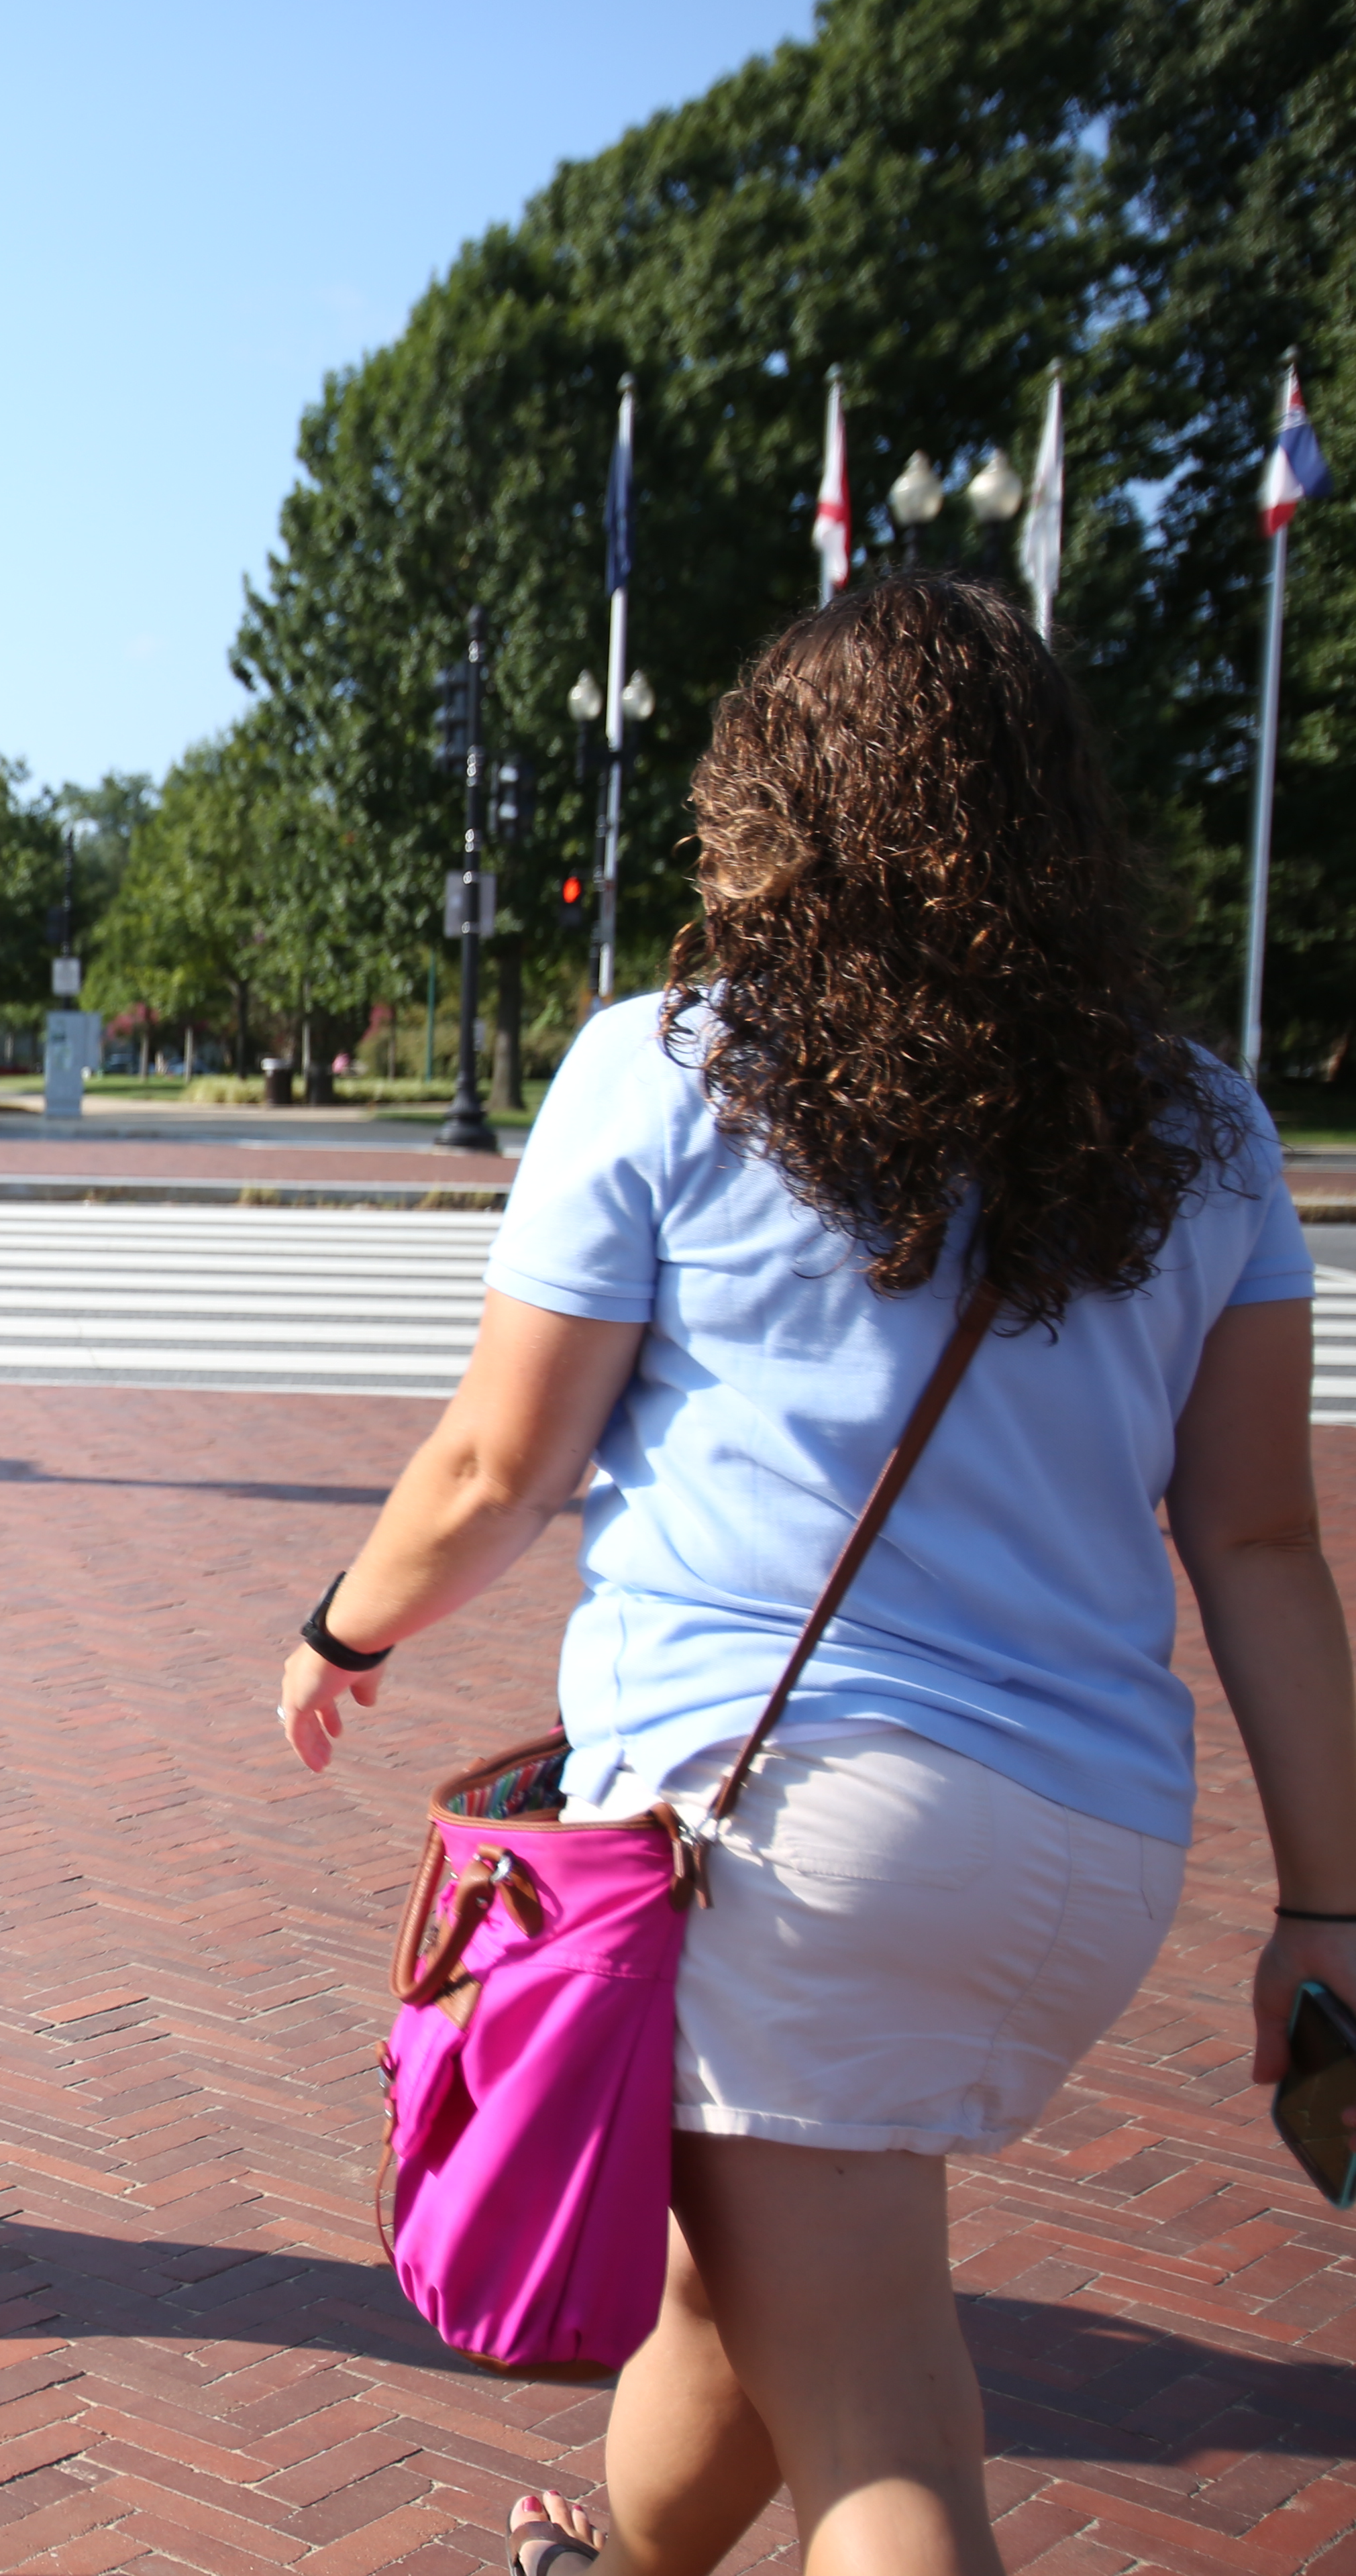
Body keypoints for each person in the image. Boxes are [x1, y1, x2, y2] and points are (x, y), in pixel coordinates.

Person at [271, 574, 1356, 2576]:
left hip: (779, 1832)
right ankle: (605, 2556)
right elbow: (1263, 1540)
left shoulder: (672, 1063)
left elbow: (504, 1462)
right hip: (1092, 1834)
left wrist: (348, 1622)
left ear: (772, 802)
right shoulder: (1205, 1120)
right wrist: (1328, 1897)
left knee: (881, 2420)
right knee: (750, 2281)